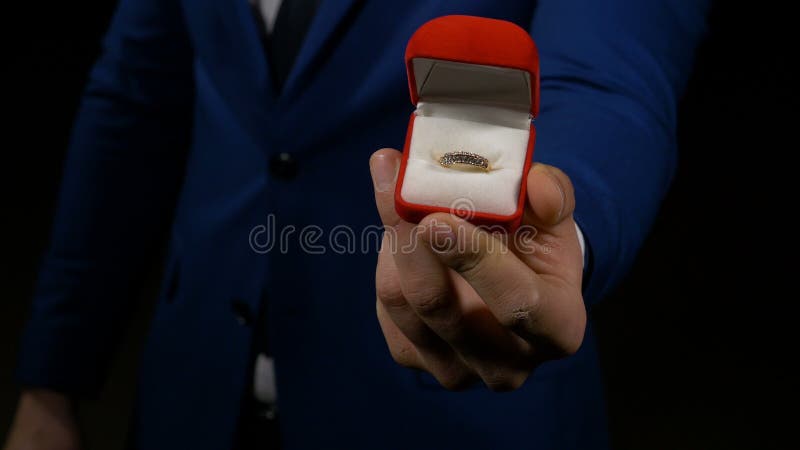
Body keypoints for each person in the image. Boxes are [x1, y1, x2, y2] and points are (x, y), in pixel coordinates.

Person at [4, 0, 711, 449]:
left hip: (449, 416)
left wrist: (549, 235)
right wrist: (51, 382)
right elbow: (134, 98)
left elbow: (606, 79)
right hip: (190, 394)